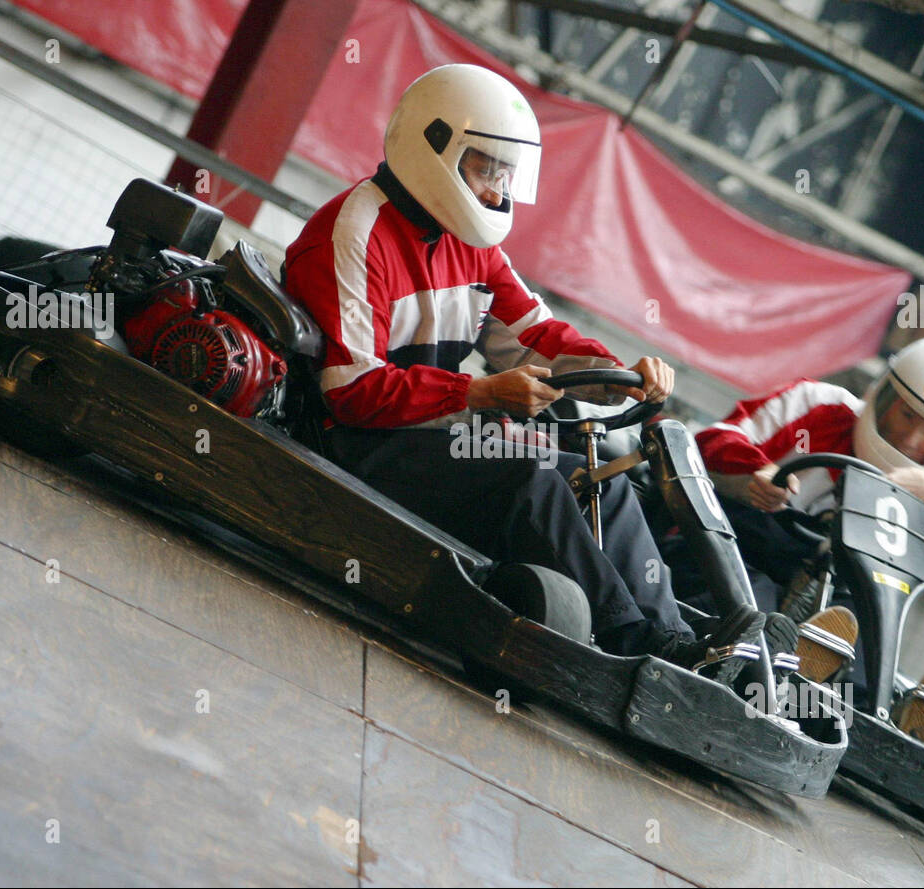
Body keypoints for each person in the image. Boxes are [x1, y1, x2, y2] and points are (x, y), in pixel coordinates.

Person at [281, 63, 754, 668]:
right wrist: (479, 396)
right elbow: (350, 391)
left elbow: (537, 334)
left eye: (506, 174)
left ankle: (682, 648)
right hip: (355, 443)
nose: (499, 191)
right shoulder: (355, 233)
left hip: (435, 437)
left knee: (601, 483)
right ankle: (632, 645)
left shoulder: (472, 245)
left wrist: (618, 373)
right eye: (486, 169)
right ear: (433, 146)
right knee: (531, 477)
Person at [686, 336, 924, 746]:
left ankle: (887, 717)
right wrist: (755, 473)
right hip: (739, 551)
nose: (914, 440)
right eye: (908, 416)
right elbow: (714, 437)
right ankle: (793, 673)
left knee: (862, 621)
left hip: (829, 596)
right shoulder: (819, 406)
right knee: (756, 605)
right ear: (885, 395)